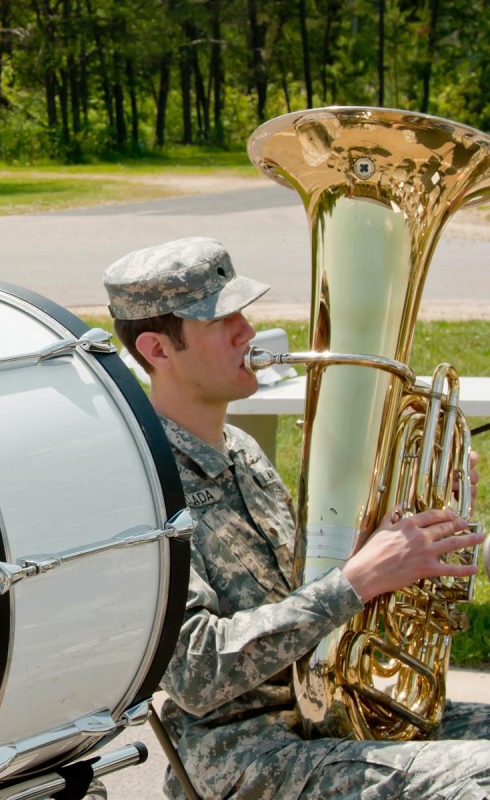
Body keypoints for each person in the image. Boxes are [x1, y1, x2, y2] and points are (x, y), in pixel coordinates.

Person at [103, 237, 490, 800]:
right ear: (159, 350)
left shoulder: (244, 452)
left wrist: (420, 519)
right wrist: (358, 579)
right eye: (221, 320)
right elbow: (193, 674)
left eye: (242, 312)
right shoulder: (139, 487)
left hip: (331, 713)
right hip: (243, 754)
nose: (247, 332)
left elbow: (308, 587)